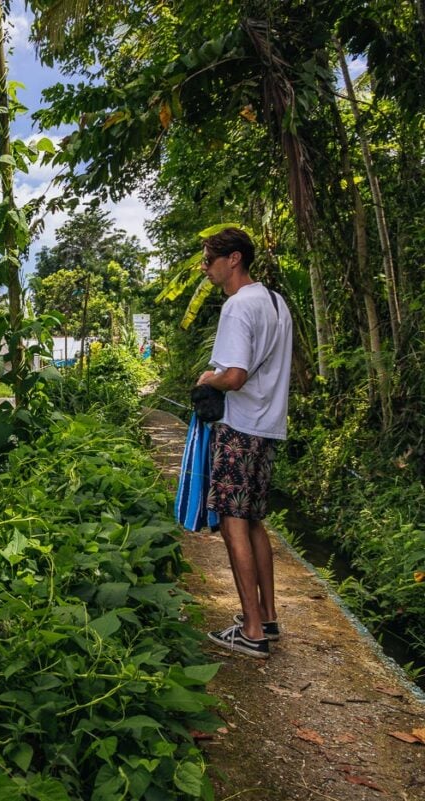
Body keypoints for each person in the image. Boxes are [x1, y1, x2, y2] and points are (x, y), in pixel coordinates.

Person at [196, 227, 293, 659]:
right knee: (253, 521)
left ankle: (251, 631)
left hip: (240, 427)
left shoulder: (238, 306)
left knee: (233, 522)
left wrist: (206, 379)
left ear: (233, 259)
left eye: (209, 259)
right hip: (268, 425)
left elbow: (234, 376)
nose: (205, 267)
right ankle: (267, 616)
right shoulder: (275, 302)